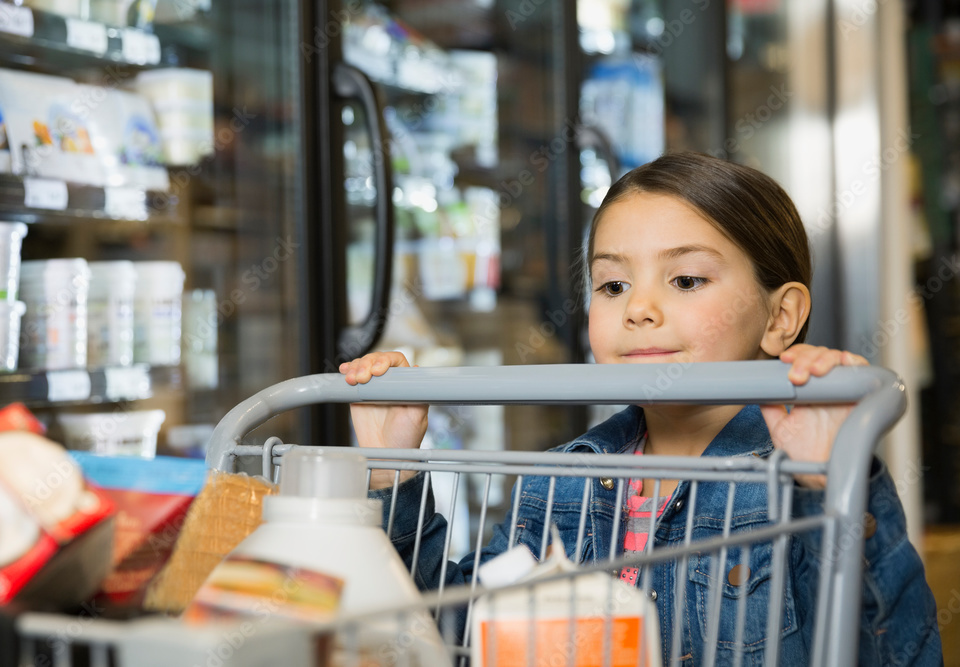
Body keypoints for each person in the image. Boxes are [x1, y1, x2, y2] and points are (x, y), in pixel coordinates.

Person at [339, 152, 942, 665]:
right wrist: (394, 470)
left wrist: (830, 479)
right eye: (613, 285)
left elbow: (891, 651)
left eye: (684, 280)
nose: (639, 310)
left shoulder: (798, 488)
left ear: (780, 316)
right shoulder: (555, 484)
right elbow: (447, 638)